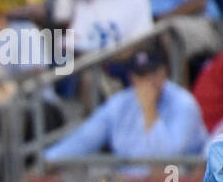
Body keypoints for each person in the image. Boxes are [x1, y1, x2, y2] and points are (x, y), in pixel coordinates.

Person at [43, 53, 207, 161]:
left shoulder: (183, 104)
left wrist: (149, 110)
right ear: (131, 77)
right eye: (141, 75)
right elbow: (86, 138)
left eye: (152, 74)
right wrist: (47, 160)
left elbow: (164, 159)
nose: (147, 81)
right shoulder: (121, 103)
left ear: (164, 73)